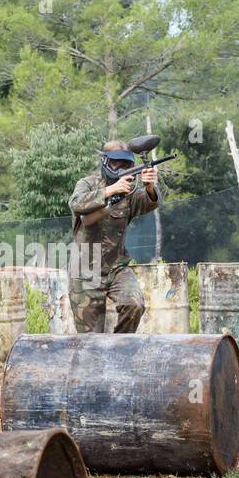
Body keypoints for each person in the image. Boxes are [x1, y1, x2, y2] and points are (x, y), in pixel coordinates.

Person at [67, 139, 162, 333]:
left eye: (126, 164)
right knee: (90, 341)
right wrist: (111, 190)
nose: (120, 168)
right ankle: (100, 357)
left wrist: (150, 186)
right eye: (115, 163)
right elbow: (76, 203)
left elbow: (148, 202)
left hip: (116, 267)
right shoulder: (87, 184)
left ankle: (118, 348)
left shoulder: (130, 190)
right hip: (85, 272)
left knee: (134, 305)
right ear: (104, 162)